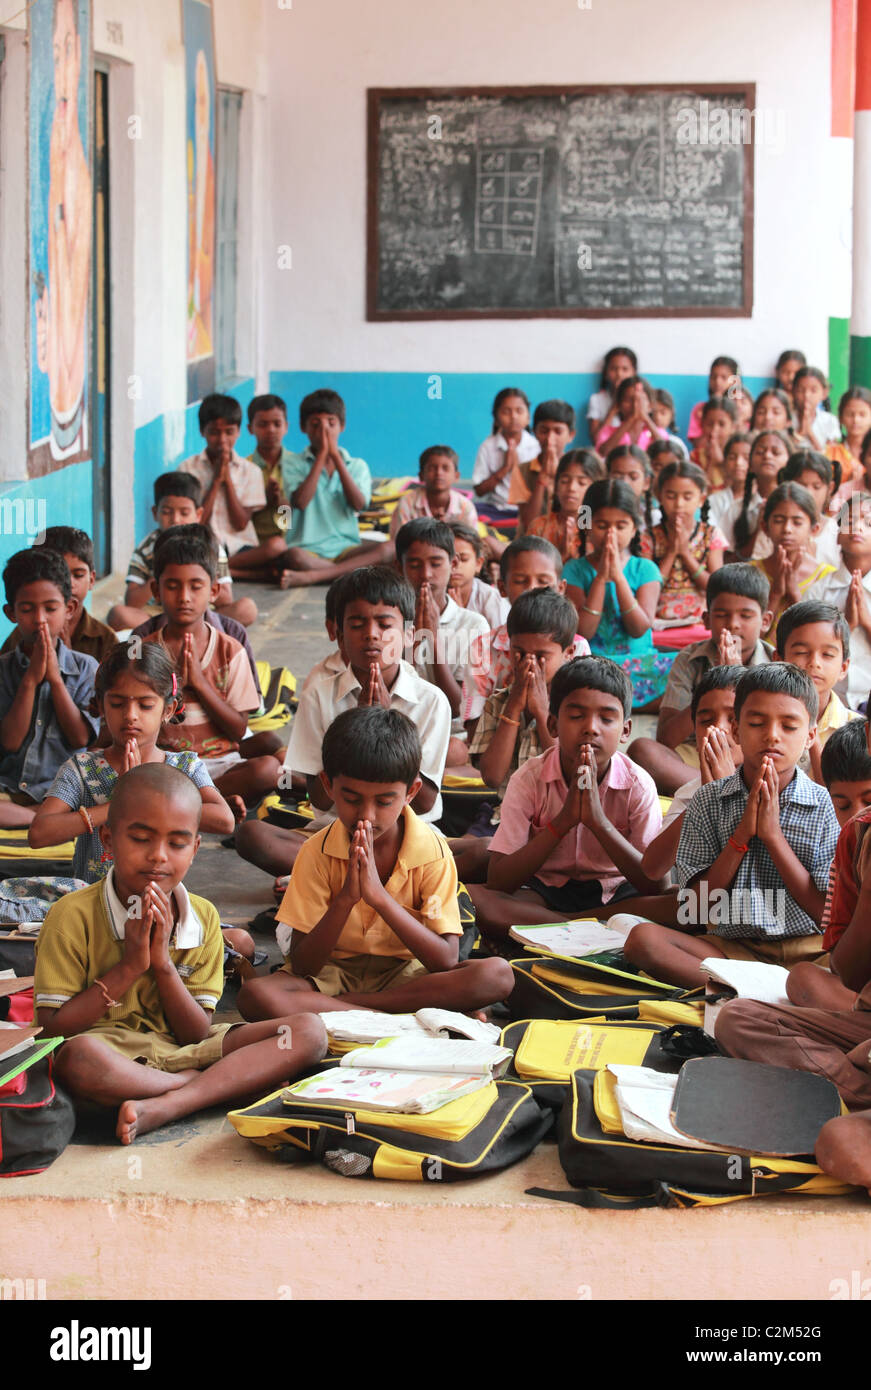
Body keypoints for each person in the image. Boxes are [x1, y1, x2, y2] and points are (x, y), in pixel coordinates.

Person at [33, 763, 327, 1145]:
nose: (158, 857)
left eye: (176, 843)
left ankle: (171, 1103)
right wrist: (130, 966)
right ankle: (205, 1090)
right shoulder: (70, 916)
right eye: (140, 839)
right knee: (77, 1058)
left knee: (305, 1031)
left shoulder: (202, 917)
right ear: (108, 840)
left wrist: (162, 965)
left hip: (186, 1049)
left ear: (195, 848)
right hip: (112, 1056)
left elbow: (195, 1032)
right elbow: (54, 1030)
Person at [236, 707, 513, 1022]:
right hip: (333, 976)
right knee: (257, 995)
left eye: (384, 802)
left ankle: (352, 1008)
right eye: (352, 799)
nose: (366, 815)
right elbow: (303, 965)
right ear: (328, 785)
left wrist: (378, 896)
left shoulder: (433, 851)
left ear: (410, 792)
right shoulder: (315, 852)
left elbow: (445, 961)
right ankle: (395, 1015)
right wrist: (346, 900)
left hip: (408, 976)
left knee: (496, 975)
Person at [624, 664, 839, 988]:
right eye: (756, 723)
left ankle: (749, 991)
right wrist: (740, 838)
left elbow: (826, 914)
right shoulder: (708, 801)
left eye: (789, 726)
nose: (772, 735)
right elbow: (696, 908)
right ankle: (765, 991)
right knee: (642, 941)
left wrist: (772, 836)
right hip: (731, 951)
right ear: (736, 731)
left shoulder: (824, 806)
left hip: (808, 953)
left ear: (810, 735)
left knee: (826, 975)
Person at [235, 567, 451, 881]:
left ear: (407, 634)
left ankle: (330, 879)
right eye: (357, 623)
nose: (372, 634)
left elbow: (424, 804)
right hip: (335, 837)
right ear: (338, 636)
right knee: (252, 835)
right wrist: (354, 728)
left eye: (384, 624)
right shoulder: (319, 697)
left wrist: (390, 730)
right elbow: (320, 800)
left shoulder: (431, 702)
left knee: (477, 852)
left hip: (406, 841)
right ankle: (366, 878)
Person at [468, 656, 665, 938]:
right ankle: (584, 924)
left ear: (625, 731)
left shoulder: (638, 784)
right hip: (546, 890)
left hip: (616, 893)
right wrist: (563, 822)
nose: (591, 728)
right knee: (479, 901)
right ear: (552, 725)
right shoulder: (529, 779)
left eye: (607, 718)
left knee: (674, 904)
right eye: (576, 716)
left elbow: (654, 883)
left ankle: (562, 923)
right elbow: (499, 879)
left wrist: (598, 822)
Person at [30, 642, 238, 881]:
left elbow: (225, 821)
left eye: (145, 705)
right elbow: (39, 834)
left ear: (168, 709)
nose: (130, 715)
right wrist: (116, 806)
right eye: (117, 704)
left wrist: (146, 792)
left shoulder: (184, 767)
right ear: (101, 705)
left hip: (159, 900)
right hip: (93, 905)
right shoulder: (82, 769)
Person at [142, 529, 281, 804]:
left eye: (196, 586)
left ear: (214, 590)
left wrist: (198, 682)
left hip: (219, 763)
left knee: (267, 770)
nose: (184, 597)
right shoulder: (145, 651)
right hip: (164, 764)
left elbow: (238, 731)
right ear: (156, 590)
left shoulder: (231, 650)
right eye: (172, 586)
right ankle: (209, 801)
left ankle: (193, 799)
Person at [628, 563, 773, 794]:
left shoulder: (773, 663)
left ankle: (716, 789)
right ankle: (725, 790)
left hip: (751, 757)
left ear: (765, 621)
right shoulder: (689, 659)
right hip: (695, 755)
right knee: (642, 751)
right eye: (722, 615)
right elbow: (666, 738)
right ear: (706, 619)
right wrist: (713, 685)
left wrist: (739, 681)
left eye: (745, 615)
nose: (733, 623)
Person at [0, 548, 99, 827]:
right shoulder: (4, 669)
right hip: (9, 788)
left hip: (63, 792)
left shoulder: (85, 668)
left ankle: (41, 818)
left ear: (69, 609)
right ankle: (39, 820)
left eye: (50, 608)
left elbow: (80, 737)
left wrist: (55, 680)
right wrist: (30, 680)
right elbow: (10, 742)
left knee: (95, 800)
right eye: (27, 609)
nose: (40, 619)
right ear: (11, 613)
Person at [34, 0, 91, 461]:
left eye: (70, 48)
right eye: (55, 49)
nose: (62, 61)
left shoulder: (77, 170)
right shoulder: (50, 141)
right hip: (59, 393)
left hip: (66, 387)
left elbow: (73, 291)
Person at [563, 478, 674, 710]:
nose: (610, 535)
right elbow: (584, 630)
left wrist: (618, 577)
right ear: (587, 525)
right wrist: (601, 578)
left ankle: (612, 703)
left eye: (621, 526)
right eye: (602, 525)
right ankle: (618, 703)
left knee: (680, 669)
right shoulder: (573, 570)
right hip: (592, 664)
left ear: (634, 528)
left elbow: (639, 627)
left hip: (638, 663)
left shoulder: (646, 569)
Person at [459, 535, 587, 725]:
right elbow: (473, 727)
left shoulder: (576, 647)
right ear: (501, 587)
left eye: (543, 581)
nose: (532, 589)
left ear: (561, 588)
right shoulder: (483, 647)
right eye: (520, 580)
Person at [107, 472, 255, 631]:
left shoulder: (211, 546)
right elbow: (132, 602)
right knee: (118, 615)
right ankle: (173, 631)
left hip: (201, 612)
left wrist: (200, 580)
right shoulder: (146, 549)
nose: (175, 520)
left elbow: (225, 598)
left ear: (198, 514)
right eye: (166, 512)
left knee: (247, 609)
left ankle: (195, 630)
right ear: (155, 512)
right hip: (157, 616)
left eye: (184, 513)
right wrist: (163, 572)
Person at [272, 388, 390, 586]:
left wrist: (335, 456)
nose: (323, 431)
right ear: (303, 428)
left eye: (331, 423)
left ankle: (315, 576)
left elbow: (359, 505)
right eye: (315, 425)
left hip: (346, 548)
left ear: (342, 426)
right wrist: (322, 456)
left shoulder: (357, 465)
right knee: (292, 556)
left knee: (390, 549)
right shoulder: (293, 463)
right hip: (307, 549)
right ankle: (353, 574)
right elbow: (300, 502)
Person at [639, 665, 745, 884]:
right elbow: (653, 869)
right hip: (703, 907)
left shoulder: (772, 784)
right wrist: (706, 796)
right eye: (706, 721)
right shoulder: (690, 793)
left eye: (732, 718)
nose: (718, 728)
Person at [470, 587, 578, 802]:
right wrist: (513, 706)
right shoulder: (498, 702)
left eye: (541, 656)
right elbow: (491, 777)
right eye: (519, 653)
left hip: (559, 812)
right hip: (505, 812)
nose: (529, 663)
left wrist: (541, 712)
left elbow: (568, 773)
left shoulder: (576, 705)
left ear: (568, 653)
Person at [395, 518, 489, 756]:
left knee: (455, 751)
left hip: (450, 732)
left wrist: (433, 637)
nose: (426, 575)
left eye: (436, 564)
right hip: (398, 728)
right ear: (400, 567)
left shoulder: (473, 625)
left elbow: (458, 707)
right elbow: (397, 695)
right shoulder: (390, 620)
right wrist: (416, 634)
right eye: (414, 565)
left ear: (453, 563)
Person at [1, 527, 116, 663]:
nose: (70, 583)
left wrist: (65, 655)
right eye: (60, 576)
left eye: (78, 575)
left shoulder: (105, 639)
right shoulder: (21, 637)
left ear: (91, 580)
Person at [180, 394, 267, 562]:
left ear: (239, 432)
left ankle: (225, 568)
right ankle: (232, 570)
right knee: (187, 553)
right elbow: (196, 522)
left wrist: (227, 480)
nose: (222, 440)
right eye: (214, 432)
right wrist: (216, 481)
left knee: (276, 547)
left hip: (241, 547)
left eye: (229, 432)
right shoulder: (188, 468)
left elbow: (240, 524)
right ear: (202, 431)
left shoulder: (251, 471)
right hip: (203, 545)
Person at [807, 492, 871, 710]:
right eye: (850, 521)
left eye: (868, 522)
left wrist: (866, 623)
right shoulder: (818, 590)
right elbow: (808, 647)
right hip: (828, 699)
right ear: (837, 535)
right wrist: (848, 627)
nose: (858, 527)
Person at [646, 461, 726, 625]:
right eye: (671, 496)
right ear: (660, 496)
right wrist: (671, 553)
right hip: (658, 622)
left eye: (687, 497)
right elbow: (648, 588)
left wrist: (685, 554)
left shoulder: (711, 535)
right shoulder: (648, 538)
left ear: (701, 499)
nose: (679, 504)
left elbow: (716, 587)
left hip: (698, 622)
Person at [750, 483, 835, 635]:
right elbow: (750, 640)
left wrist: (794, 594)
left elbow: (819, 638)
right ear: (764, 527)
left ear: (814, 529)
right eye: (778, 520)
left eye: (797, 522)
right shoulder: (750, 572)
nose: (787, 529)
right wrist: (775, 594)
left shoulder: (827, 577)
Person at [472, 386, 540, 520]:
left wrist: (517, 469)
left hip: (528, 510)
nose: (513, 416)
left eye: (519, 411)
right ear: (496, 418)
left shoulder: (536, 447)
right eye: (506, 411)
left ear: (528, 417)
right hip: (496, 509)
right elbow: (479, 491)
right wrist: (505, 469)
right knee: (471, 514)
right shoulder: (487, 447)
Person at [526, 449, 604, 561]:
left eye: (581, 483)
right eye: (564, 481)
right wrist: (561, 556)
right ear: (556, 487)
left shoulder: (597, 530)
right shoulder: (539, 526)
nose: (571, 488)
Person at [390, 446, 478, 536]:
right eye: (432, 468)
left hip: (456, 549)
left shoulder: (465, 506)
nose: (439, 473)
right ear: (421, 475)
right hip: (416, 549)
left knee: (488, 541)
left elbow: (472, 542)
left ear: (456, 476)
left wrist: (445, 531)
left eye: (445, 468)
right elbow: (400, 541)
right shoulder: (408, 502)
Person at [732, 429, 793, 558]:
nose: (767, 456)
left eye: (776, 453)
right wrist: (760, 527)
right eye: (760, 452)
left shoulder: (799, 510)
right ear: (751, 464)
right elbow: (726, 562)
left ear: (789, 463)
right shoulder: (736, 509)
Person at [515, 399, 577, 526]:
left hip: (572, 538)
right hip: (533, 541)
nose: (550, 439)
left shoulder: (581, 470)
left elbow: (585, 510)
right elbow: (528, 523)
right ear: (534, 432)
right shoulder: (522, 471)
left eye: (558, 432)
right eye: (544, 431)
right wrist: (542, 480)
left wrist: (583, 538)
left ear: (571, 435)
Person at [446, 523, 508, 629]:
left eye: (464, 559)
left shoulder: (491, 599)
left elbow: (500, 644)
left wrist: (462, 617)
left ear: (478, 564)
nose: (455, 565)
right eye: (448, 559)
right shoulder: (430, 595)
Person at [595, 376, 666, 454]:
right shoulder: (607, 432)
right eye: (628, 400)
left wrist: (645, 418)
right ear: (618, 405)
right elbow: (603, 452)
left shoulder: (659, 432)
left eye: (640, 400)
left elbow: (665, 451)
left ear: (650, 406)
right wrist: (631, 419)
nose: (634, 405)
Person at [706, 432, 751, 551]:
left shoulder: (759, 501)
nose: (738, 463)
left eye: (746, 458)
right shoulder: (715, 500)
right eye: (732, 457)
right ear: (724, 462)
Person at [586, 345, 638, 447]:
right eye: (614, 369)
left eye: (625, 369)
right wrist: (614, 408)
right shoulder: (597, 400)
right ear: (606, 373)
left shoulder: (639, 398)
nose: (619, 374)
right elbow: (595, 440)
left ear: (634, 372)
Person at [826, 387, 871, 499]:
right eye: (850, 414)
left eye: (862, 414)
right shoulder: (829, 452)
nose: (856, 420)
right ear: (841, 417)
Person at [689, 396, 739, 490]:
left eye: (721, 424)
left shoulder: (739, 457)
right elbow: (698, 492)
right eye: (710, 424)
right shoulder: (695, 457)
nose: (714, 430)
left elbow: (736, 491)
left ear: (733, 427)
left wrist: (721, 463)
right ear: (702, 424)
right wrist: (712, 463)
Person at [686, 356, 739, 442]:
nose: (717, 382)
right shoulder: (700, 409)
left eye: (723, 377)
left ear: (734, 381)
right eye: (713, 377)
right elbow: (697, 442)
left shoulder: (740, 408)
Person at [792, 366, 840, 449]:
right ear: (793, 391)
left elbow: (830, 457)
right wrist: (800, 432)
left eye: (813, 391)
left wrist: (810, 433)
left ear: (824, 393)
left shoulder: (830, 420)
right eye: (800, 390)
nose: (806, 395)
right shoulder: (786, 418)